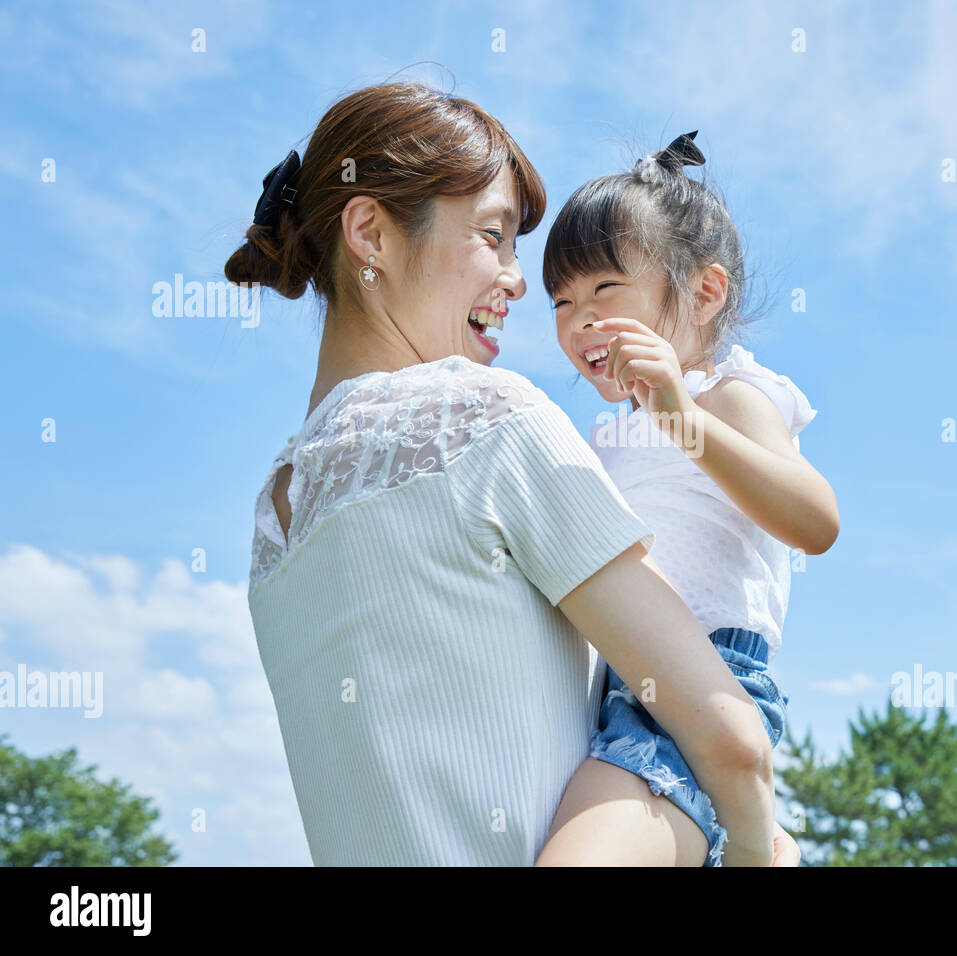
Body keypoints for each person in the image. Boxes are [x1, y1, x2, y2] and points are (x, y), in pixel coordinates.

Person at [229, 82, 796, 866]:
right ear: (370, 233)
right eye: (493, 236)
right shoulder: (485, 419)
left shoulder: (273, 521)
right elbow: (733, 740)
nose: (520, 281)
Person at [535, 131, 838, 866]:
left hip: (709, 682)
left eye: (606, 288)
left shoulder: (727, 395)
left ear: (703, 293)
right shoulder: (603, 440)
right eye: (562, 300)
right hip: (614, 689)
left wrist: (683, 418)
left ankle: (760, 843)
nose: (580, 320)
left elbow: (816, 520)